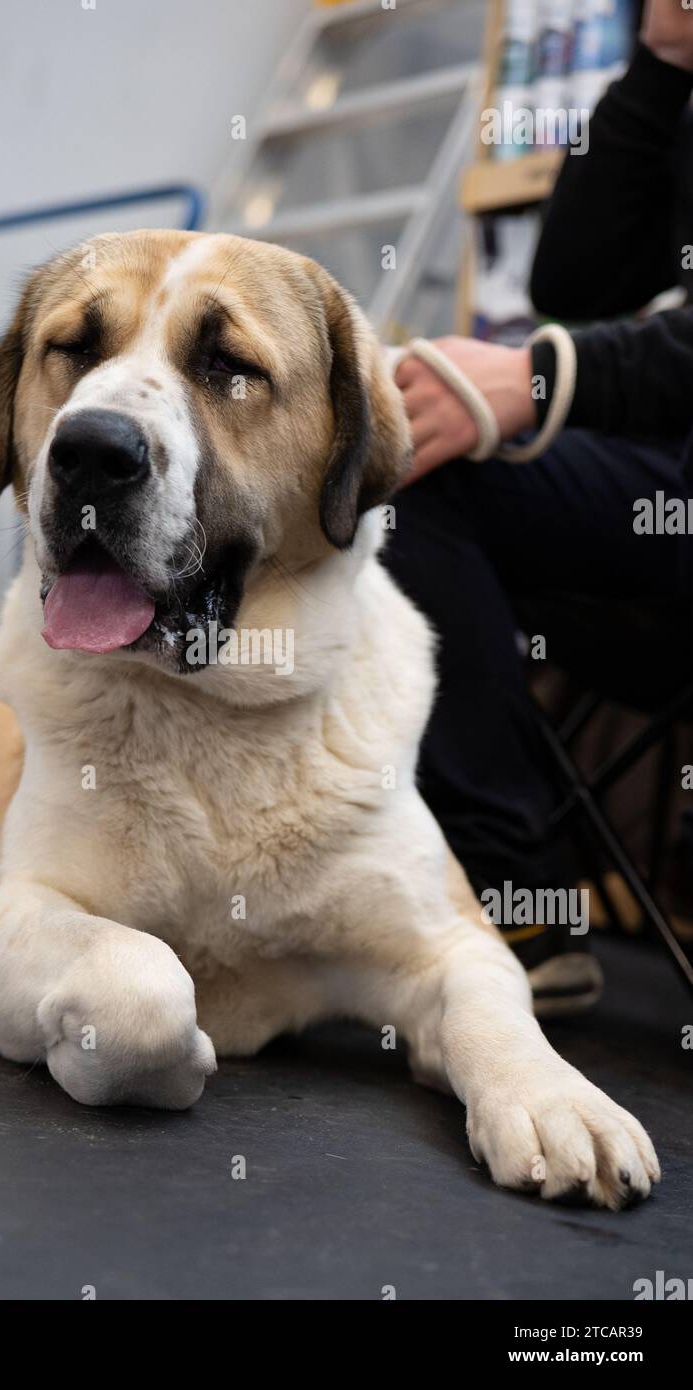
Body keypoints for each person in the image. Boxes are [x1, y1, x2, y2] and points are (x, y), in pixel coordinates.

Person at [383, 0, 693, 1013]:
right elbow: (576, 279)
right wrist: (657, 67)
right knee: (407, 462)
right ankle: (519, 902)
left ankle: (509, 887)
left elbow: (566, 340)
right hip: (654, 506)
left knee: (449, 449)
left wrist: (540, 379)